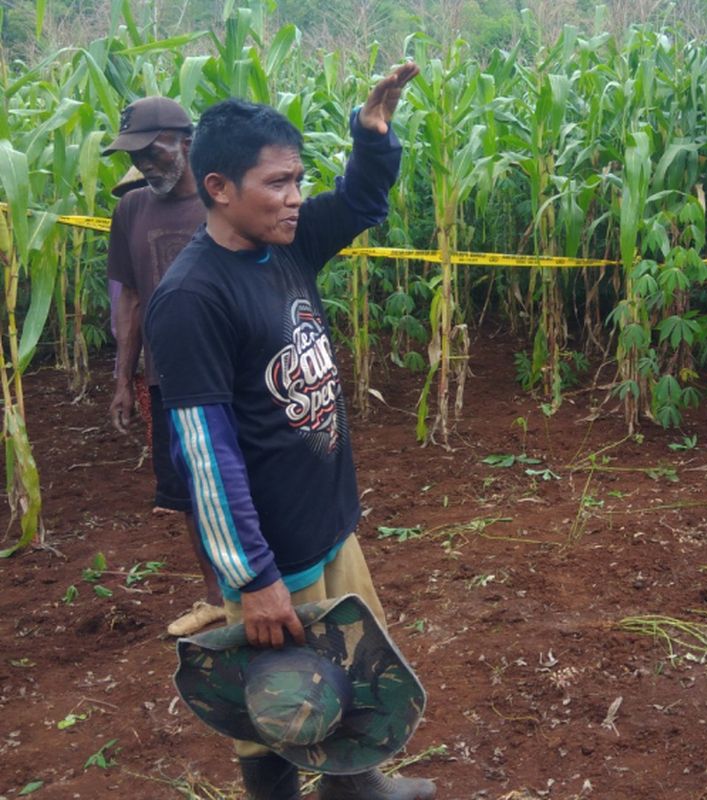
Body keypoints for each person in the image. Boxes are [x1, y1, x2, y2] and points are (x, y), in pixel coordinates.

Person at [144, 62, 433, 800]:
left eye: (299, 179)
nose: (296, 198)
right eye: (277, 183)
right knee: (277, 689)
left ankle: (353, 784)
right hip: (270, 542)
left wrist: (372, 137)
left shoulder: (288, 244)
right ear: (218, 188)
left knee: (345, 659)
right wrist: (254, 578)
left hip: (326, 517)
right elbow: (206, 456)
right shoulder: (192, 298)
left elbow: (363, 198)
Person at [103, 98, 226, 638]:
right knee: (192, 494)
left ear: (185, 141)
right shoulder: (131, 209)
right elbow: (129, 297)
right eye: (135, 154)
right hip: (168, 380)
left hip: (237, 376)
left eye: (152, 151)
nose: (145, 164)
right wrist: (123, 379)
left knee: (258, 482)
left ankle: (284, 587)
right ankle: (218, 598)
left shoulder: (225, 199)